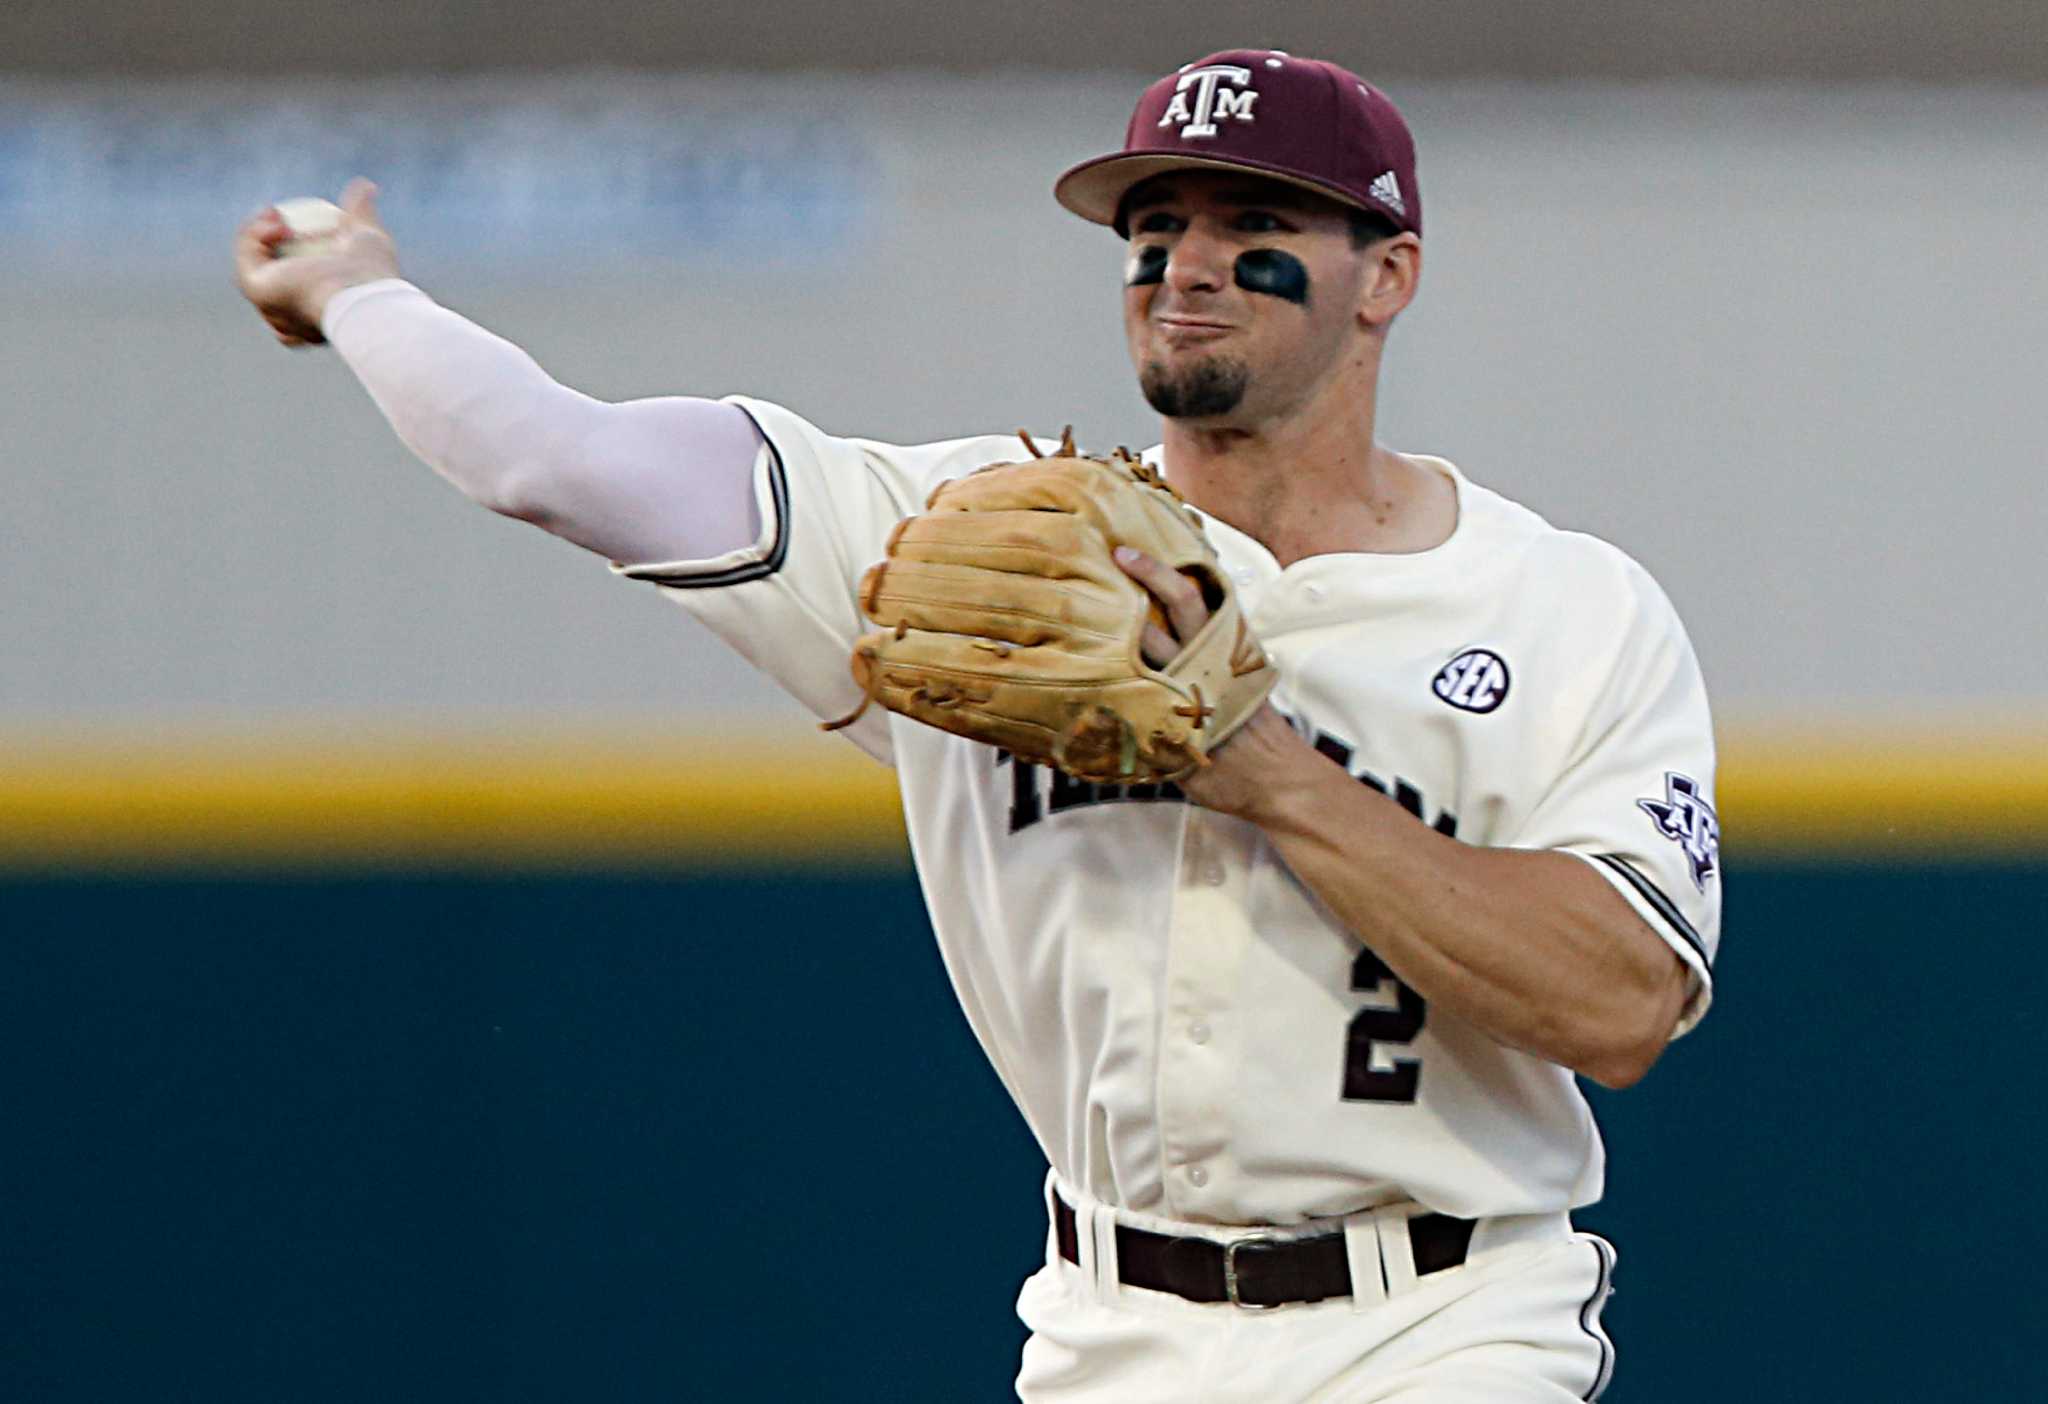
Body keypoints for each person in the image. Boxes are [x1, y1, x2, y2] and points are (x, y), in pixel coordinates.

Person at [234, 48, 1720, 1403]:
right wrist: (358, 290)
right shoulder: (964, 546)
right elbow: (548, 456)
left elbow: (1619, 1007)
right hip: (1107, 1324)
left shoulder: (1558, 609)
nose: (1184, 263)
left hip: (1445, 1322)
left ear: (1384, 274)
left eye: (1246, 220)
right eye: (1156, 224)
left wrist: (1263, 773)